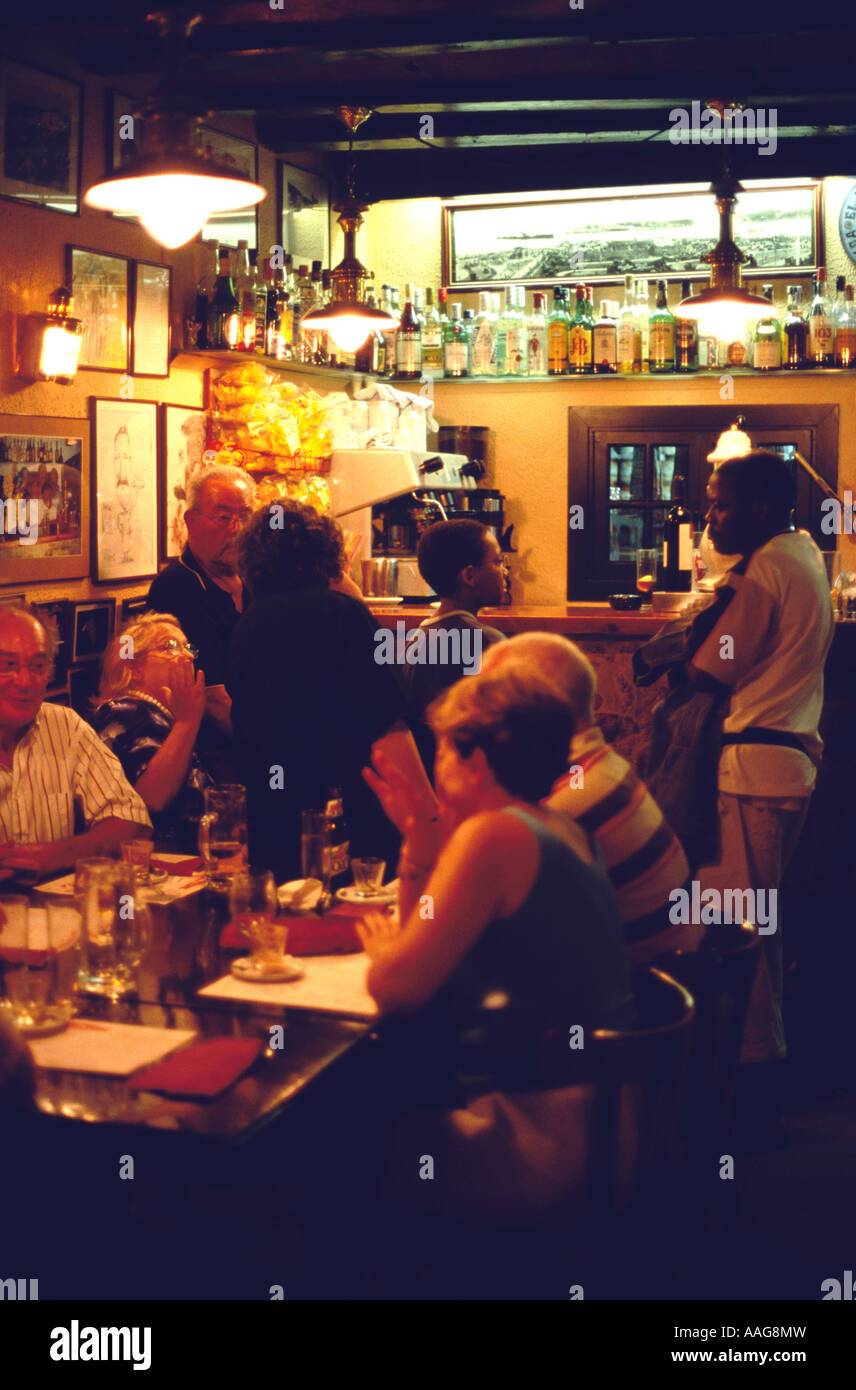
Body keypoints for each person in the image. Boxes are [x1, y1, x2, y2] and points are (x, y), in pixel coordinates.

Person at [360, 668, 633, 1221]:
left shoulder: (495, 837)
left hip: (530, 1141)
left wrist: (387, 956)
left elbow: (394, 990)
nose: (435, 769)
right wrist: (418, 838)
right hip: (603, 1126)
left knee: (333, 1122)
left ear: (476, 763)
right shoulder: (560, 829)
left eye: (440, 753)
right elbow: (425, 941)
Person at [686, 451, 834, 1129]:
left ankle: (743, 1090)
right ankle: (759, 1075)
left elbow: (712, 669)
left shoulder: (766, 568)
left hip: (750, 770)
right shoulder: (804, 554)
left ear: (762, 510)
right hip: (788, 764)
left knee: (732, 931)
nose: (709, 515)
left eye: (719, 503)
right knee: (759, 929)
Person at [228, 499, 436, 882]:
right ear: (325, 551)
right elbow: (388, 725)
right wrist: (428, 811)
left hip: (273, 816)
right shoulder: (344, 616)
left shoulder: (249, 623)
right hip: (346, 817)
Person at [479, 632, 694, 963]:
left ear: (531, 711)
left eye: (488, 704)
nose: (476, 724)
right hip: (670, 982)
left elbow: (486, 944)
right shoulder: (606, 767)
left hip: (643, 998)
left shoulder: (563, 806)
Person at [0, 603, 151, 877]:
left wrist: (62, 854)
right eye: (6, 665)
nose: (24, 681)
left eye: (37, 666)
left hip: (59, 912)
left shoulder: (65, 726)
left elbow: (133, 821)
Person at [146, 465, 255, 780]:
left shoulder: (258, 580)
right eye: (223, 518)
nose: (236, 529)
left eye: (245, 517)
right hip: (213, 755)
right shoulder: (177, 589)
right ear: (191, 521)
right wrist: (270, 747)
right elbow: (213, 699)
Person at [91, 613, 210, 850]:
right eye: (171, 647)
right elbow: (153, 799)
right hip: (156, 866)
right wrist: (187, 721)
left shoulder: (166, 712)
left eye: (188, 647)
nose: (187, 655)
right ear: (134, 668)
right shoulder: (124, 711)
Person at [407, 520, 508, 773]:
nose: (505, 571)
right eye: (497, 562)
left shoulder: (409, 643)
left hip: (433, 781)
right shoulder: (488, 643)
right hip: (477, 784)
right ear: (470, 576)